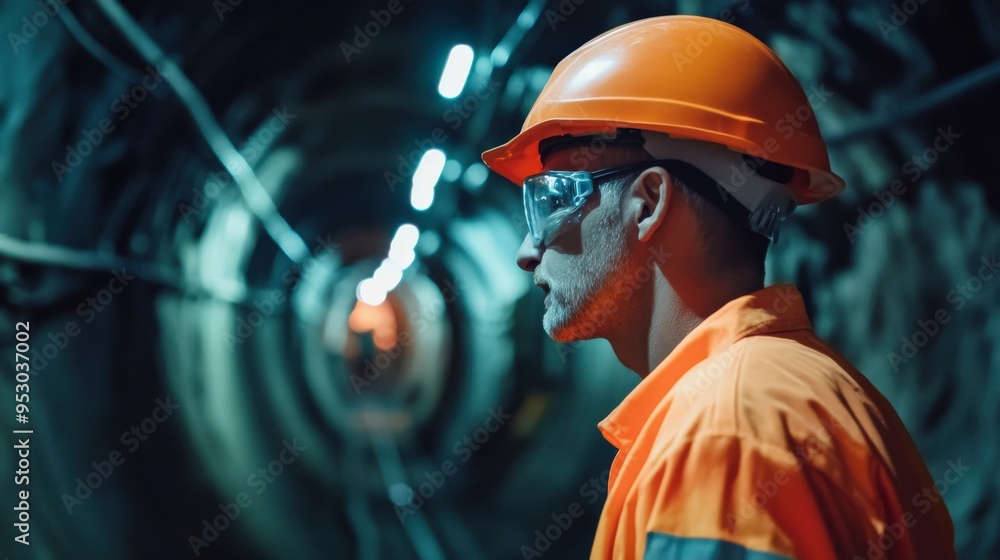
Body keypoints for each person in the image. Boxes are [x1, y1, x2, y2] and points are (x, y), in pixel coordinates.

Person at [481, 15, 956, 560]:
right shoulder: (810, 391)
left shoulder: (724, 435)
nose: (525, 251)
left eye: (549, 200)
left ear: (648, 204)